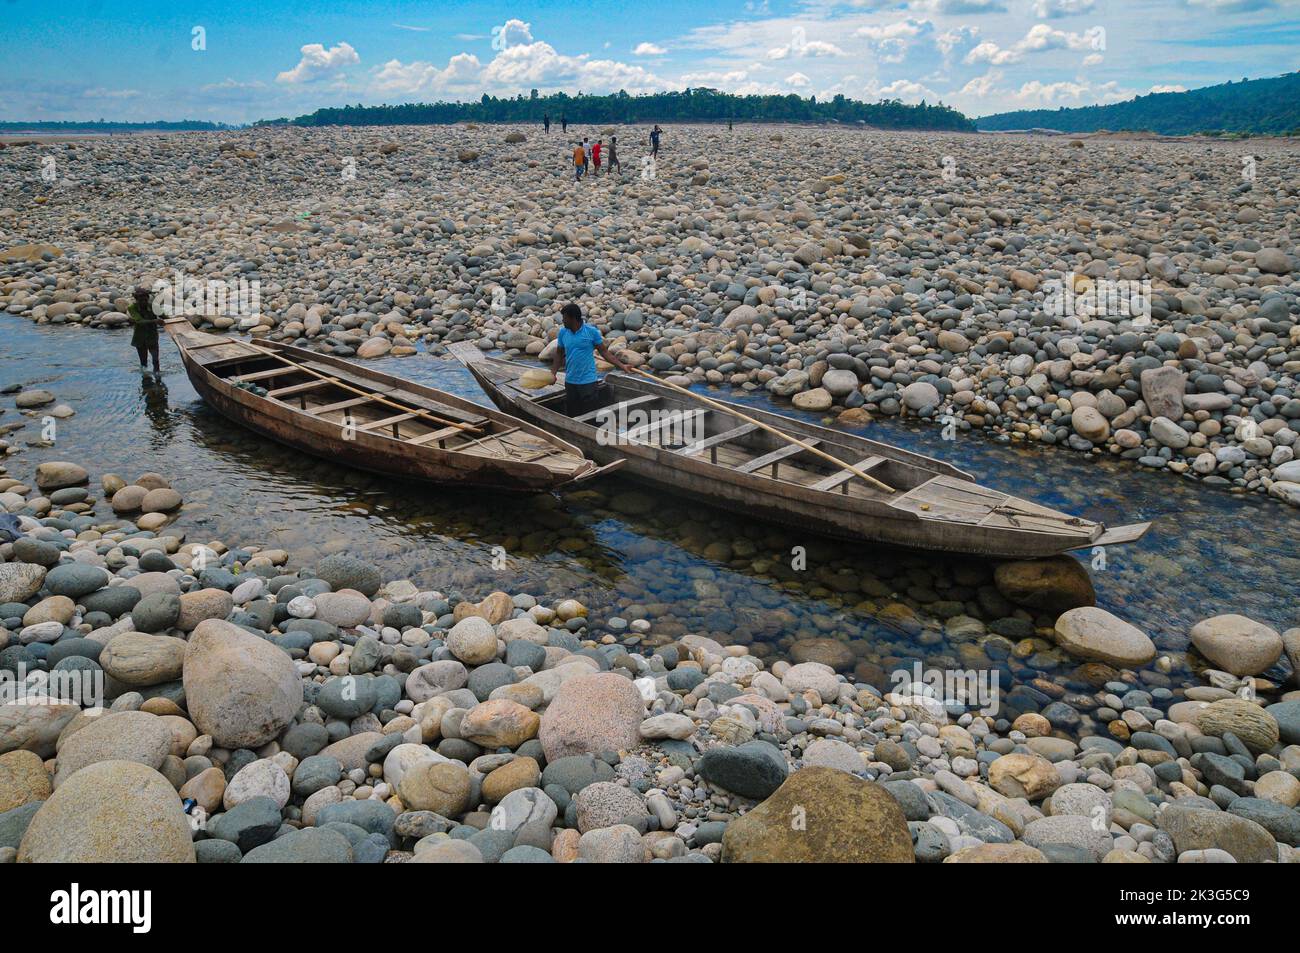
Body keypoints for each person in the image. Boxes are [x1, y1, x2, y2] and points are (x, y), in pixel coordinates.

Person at [553, 303, 630, 418]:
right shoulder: (563, 332)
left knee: (590, 416)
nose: (563, 321)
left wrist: (622, 366)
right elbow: (559, 354)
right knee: (572, 414)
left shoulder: (591, 332)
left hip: (588, 382)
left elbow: (604, 352)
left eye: (565, 318)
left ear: (573, 318)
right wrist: (553, 373)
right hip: (570, 381)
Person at [128, 285, 162, 375]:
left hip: (152, 336)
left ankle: (158, 380)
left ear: (148, 298)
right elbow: (139, 321)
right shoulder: (132, 308)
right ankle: (146, 381)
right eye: (141, 300)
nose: (143, 302)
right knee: (143, 362)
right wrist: (155, 321)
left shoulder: (153, 306)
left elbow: (164, 316)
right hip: (140, 338)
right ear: (136, 300)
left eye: (145, 300)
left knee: (156, 360)